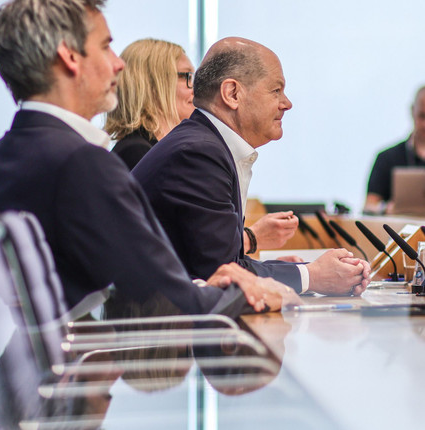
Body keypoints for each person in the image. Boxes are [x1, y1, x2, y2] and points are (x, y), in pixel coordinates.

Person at [0, 0, 300, 315]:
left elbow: (148, 282)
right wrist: (263, 290)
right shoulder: (82, 164)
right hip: (88, 360)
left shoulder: (1, 157)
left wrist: (204, 287)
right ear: (69, 56)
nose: (118, 64)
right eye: (105, 47)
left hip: (45, 362)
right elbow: (170, 298)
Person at [133, 37, 370, 296]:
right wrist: (311, 276)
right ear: (232, 94)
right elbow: (221, 274)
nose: (286, 103)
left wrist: (304, 271)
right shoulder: (199, 153)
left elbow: (220, 261)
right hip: (156, 329)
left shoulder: (204, 143)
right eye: (276, 90)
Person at [364, 85, 425, 214]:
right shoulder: (387, 158)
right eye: (423, 116)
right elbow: (369, 204)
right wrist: (386, 208)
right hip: (396, 231)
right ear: (412, 111)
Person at [104, 38, 196, 170]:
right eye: (187, 76)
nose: (195, 89)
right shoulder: (137, 152)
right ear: (152, 85)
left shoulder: (156, 149)